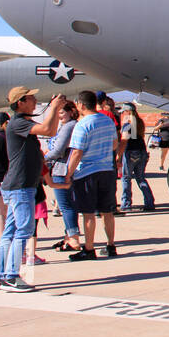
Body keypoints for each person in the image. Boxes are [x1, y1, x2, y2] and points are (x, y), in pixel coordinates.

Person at [0, 87, 64, 291]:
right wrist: (54, 107)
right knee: (23, 230)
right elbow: (47, 131)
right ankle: (12, 276)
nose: (34, 100)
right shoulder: (19, 123)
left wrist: (54, 109)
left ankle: (0, 276)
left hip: (19, 185)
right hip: (20, 186)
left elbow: (49, 130)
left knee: (10, 231)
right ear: (20, 102)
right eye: (30, 98)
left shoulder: (21, 122)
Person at [65, 90, 121, 260]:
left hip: (87, 172)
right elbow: (114, 145)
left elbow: (77, 153)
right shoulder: (107, 120)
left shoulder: (82, 125)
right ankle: (111, 245)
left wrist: (68, 174)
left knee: (88, 213)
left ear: (81, 105)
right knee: (107, 211)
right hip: (106, 170)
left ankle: (89, 248)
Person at [44, 101, 81, 252]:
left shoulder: (69, 126)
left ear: (71, 112)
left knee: (66, 205)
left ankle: (73, 238)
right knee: (68, 205)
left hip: (62, 169)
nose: (59, 116)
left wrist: (42, 158)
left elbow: (59, 150)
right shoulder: (68, 126)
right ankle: (69, 236)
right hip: (62, 168)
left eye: (61, 113)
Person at [119, 105, 155, 213]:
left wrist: (118, 156)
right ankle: (149, 202)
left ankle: (126, 203)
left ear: (128, 112)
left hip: (130, 152)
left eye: (124, 112)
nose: (122, 115)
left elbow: (124, 140)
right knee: (140, 178)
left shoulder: (127, 125)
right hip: (141, 150)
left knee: (126, 178)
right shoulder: (139, 123)